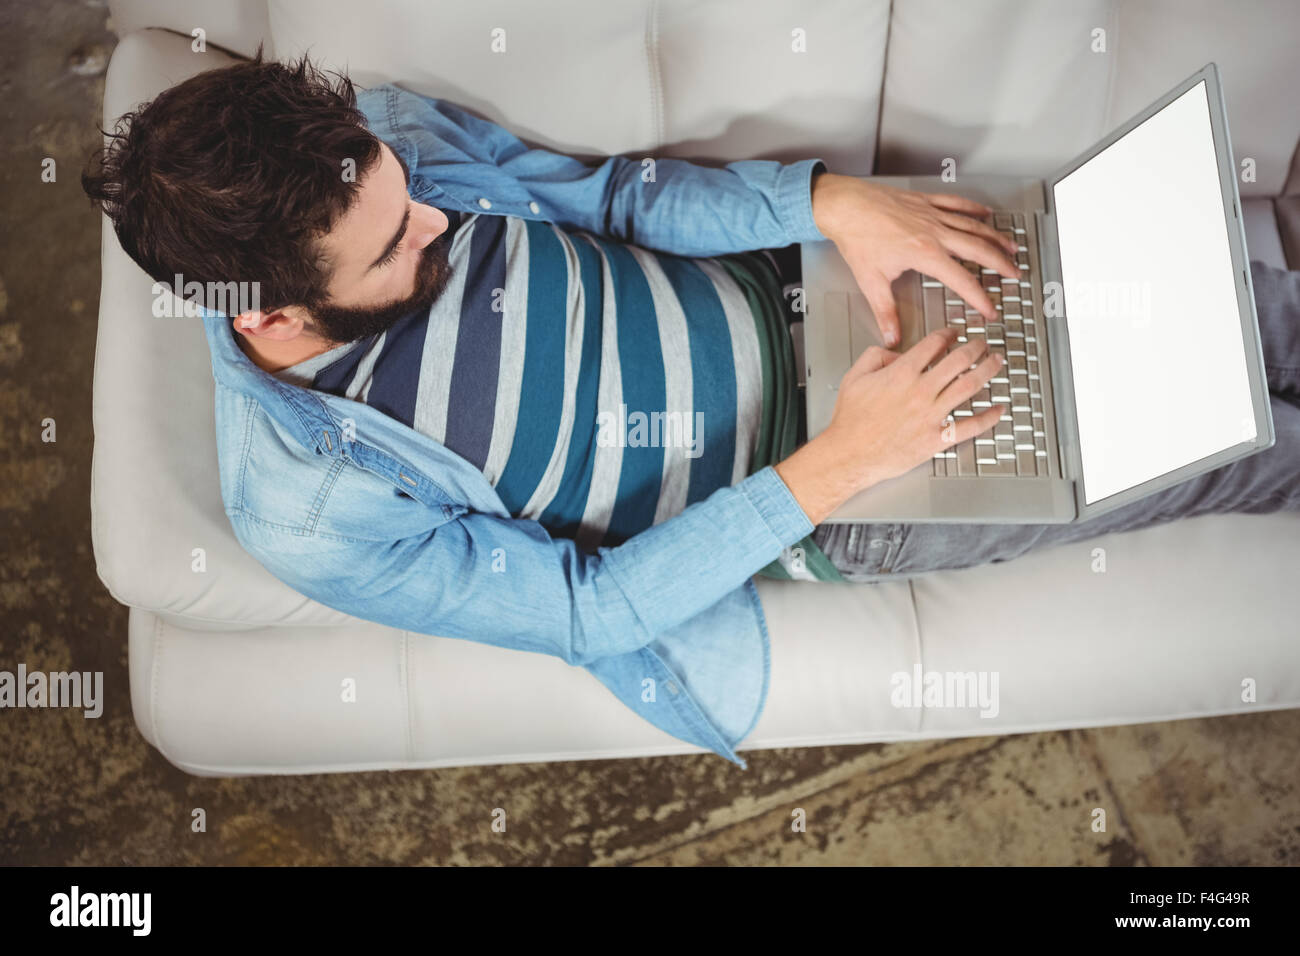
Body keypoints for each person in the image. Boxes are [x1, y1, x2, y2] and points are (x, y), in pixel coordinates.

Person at [82, 52, 1300, 767]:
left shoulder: (379, 146)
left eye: (410, 197)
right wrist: (835, 466)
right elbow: (589, 609)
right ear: (272, 320)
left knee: (1232, 306)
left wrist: (829, 206)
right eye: (397, 246)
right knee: (1214, 440)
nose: (438, 219)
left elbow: (617, 198)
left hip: (809, 291)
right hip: (826, 492)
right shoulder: (313, 509)